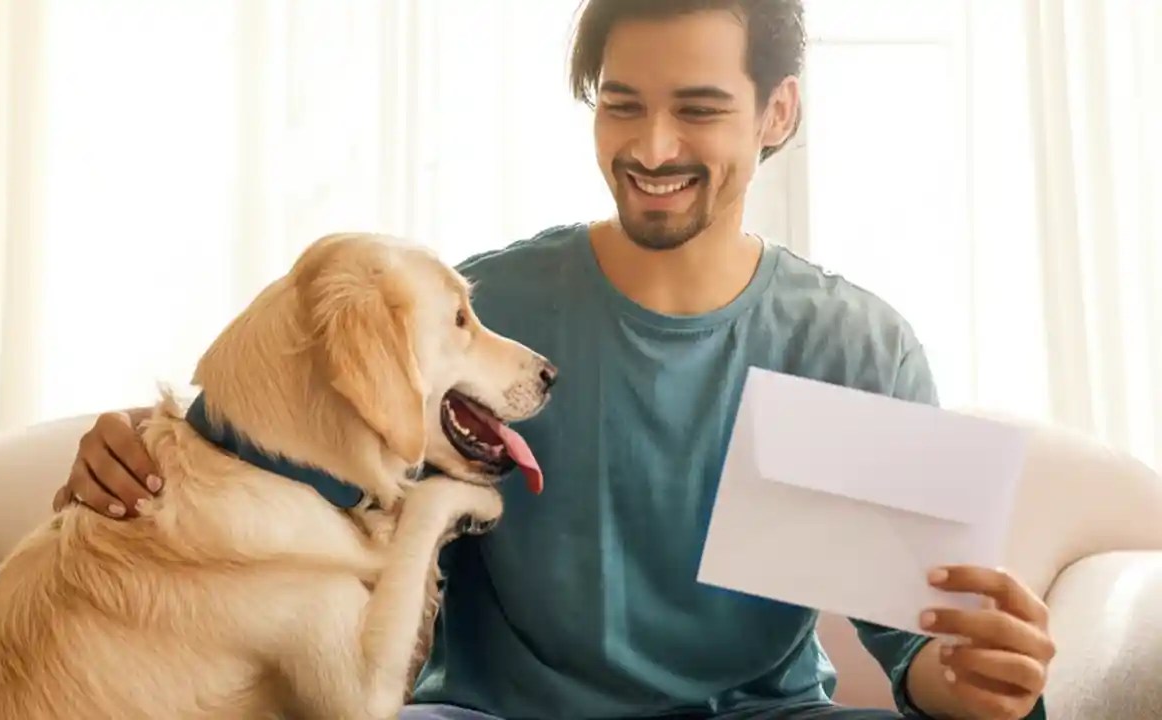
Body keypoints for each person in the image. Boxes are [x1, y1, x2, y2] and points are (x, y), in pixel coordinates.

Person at [56, 1, 1054, 718]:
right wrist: (141, 462)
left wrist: (977, 683)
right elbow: (283, 492)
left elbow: (915, 652)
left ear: (775, 114)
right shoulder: (481, 314)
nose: (650, 145)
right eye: (620, 105)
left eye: (698, 109)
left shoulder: (851, 347)